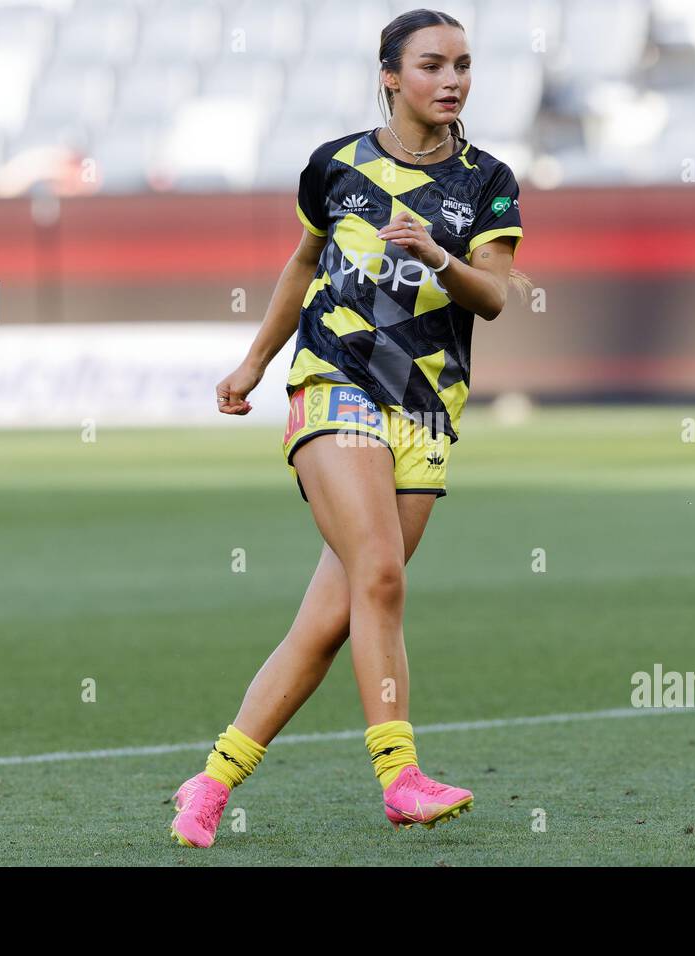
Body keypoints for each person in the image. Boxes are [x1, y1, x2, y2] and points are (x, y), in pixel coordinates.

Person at [172, 8, 528, 848]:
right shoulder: (335, 167)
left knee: (337, 614)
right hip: (335, 381)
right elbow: (303, 264)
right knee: (380, 573)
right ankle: (399, 776)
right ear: (390, 75)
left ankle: (213, 778)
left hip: (428, 408)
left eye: (464, 65)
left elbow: (495, 296)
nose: (452, 80)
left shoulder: (489, 181)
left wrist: (441, 255)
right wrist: (257, 361)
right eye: (434, 65)